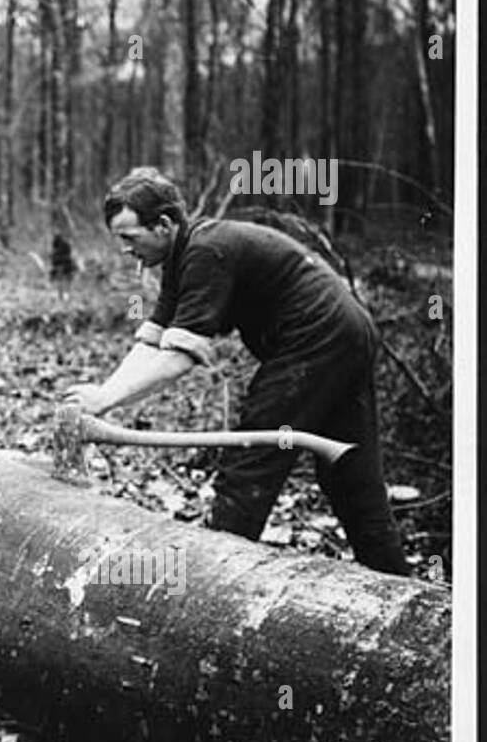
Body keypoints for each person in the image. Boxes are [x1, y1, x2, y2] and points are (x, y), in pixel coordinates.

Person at [63, 168, 409, 576]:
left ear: (163, 225)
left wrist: (106, 400)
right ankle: (393, 578)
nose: (124, 249)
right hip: (348, 332)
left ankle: (213, 582)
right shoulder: (183, 255)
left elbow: (179, 359)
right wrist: (104, 395)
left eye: (129, 237)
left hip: (319, 336)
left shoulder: (207, 252)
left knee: (253, 457)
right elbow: (153, 342)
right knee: (349, 473)